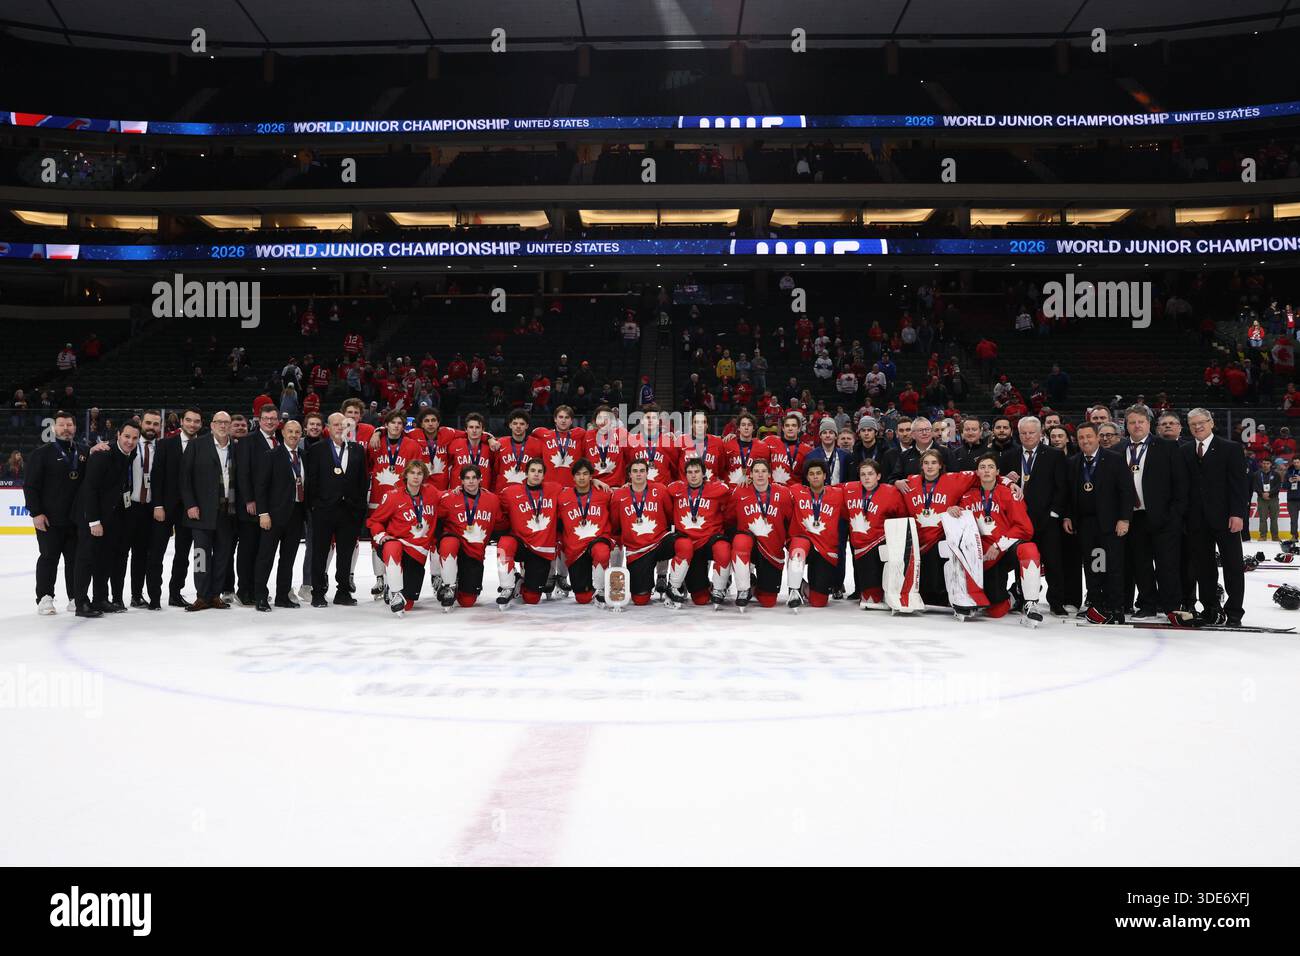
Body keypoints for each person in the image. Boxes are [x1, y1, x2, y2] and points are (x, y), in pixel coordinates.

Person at [960, 452, 1044, 626]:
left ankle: (1031, 604)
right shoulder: (967, 497)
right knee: (996, 612)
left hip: (1005, 550)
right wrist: (954, 510)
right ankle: (1016, 595)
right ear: (977, 473)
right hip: (986, 558)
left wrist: (999, 545)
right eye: (982, 467)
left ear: (998, 472)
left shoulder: (1008, 494)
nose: (986, 471)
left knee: (1029, 548)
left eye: (991, 467)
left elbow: (1025, 528)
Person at [1063, 423, 1134, 624]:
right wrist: (1068, 516)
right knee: (1094, 565)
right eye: (1081, 437)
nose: (1085, 441)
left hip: (1111, 524)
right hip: (1086, 524)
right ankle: (1096, 603)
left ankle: (1116, 606)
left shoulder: (1115, 459)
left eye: (1089, 437)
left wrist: (1124, 518)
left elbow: (1126, 491)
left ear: (1097, 438)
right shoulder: (1073, 462)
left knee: (1113, 565)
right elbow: (1069, 493)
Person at [1182, 409, 1248, 625]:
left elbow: (1239, 485)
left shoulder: (1231, 448)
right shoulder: (1185, 450)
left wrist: (1238, 514)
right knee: (1204, 568)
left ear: (1211, 423)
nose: (1197, 426)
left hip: (1226, 519)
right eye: (1193, 424)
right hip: (1196, 521)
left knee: (1233, 566)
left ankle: (1235, 611)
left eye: (1201, 422)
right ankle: (1211, 608)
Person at [1000, 416, 1069, 616]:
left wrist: (1055, 513)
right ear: (1018, 434)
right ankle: (1022, 597)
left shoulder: (1054, 455)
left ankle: (1056, 601)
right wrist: (1006, 479)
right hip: (1019, 520)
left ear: (1040, 434)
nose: (1028, 436)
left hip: (1046, 519)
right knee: (1021, 561)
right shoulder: (1009, 456)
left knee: (1053, 561)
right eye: (1024, 433)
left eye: (1032, 432)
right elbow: (999, 485)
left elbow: (1061, 487)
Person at [73, 420, 140, 618]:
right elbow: (90, 489)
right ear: (118, 435)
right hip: (91, 517)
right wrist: (94, 521)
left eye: (135, 438)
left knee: (104, 559)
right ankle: (81, 603)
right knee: (86, 559)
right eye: (127, 436)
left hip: (112, 516)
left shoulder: (130, 453)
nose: (130, 441)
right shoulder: (102, 455)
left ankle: (100, 599)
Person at [24, 410, 86, 615]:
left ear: (75, 428)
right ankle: (44, 597)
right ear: (53, 428)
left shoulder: (84, 451)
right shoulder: (41, 453)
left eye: (69, 425)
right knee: (49, 557)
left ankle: (75, 596)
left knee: (75, 560)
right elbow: (30, 486)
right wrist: (36, 513)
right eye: (61, 425)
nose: (66, 429)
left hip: (75, 520)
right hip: (49, 519)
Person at [305, 412, 368, 607]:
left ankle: (343, 592)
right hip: (324, 510)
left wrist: (358, 506)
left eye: (344, 424)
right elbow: (311, 482)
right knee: (320, 553)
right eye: (336, 425)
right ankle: (317, 592)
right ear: (328, 428)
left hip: (349, 511)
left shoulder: (358, 450)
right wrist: (314, 506)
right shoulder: (317, 449)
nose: (340, 428)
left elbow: (362, 481)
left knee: (345, 553)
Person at [366, 459, 439, 615]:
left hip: (418, 552)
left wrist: (458, 491)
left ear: (424, 476)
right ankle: (395, 592)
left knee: (409, 604)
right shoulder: (392, 496)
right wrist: (381, 535)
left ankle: (393, 586)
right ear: (405, 475)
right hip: (397, 546)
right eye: (412, 473)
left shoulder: (431, 493)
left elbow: (446, 498)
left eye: (419, 473)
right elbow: (374, 520)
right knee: (393, 546)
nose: (416, 477)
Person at [182, 411, 238, 612]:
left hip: (227, 512)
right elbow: (185, 478)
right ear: (212, 425)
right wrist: (190, 504)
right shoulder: (197, 445)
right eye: (219, 422)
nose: (223, 426)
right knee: (201, 555)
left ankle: (215, 595)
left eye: (226, 422)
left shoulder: (236, 447)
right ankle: (202, 595)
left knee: (223, 555)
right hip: (201, 512)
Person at [253, 419, 310, 611]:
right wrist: (263, 513)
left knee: (288, 558)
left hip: (296, 514)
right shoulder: (271, 455)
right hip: (273, 515)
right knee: (265, 557)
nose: (294, 435)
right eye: (290, 431)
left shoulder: (304, 455)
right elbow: (261, 488)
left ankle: (282, 596)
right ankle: (260, 596)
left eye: (297, 432)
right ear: (283, 433)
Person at [662, 458, 732, 607]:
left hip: (709, 540)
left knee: (723, 548)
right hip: (687, 545)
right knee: (700, 600)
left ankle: (719, 588)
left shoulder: (718, 489)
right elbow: (655, 489)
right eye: (689, 472)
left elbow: (732, 499)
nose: (693, 475)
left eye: (697, 472)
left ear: (704, 473)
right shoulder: (676, 489)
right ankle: (684, 583)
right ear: (685, 474)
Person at [152, 406, 203, 607]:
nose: (192, 424)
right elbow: (157, 476)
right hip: (165, 507)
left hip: (191, 509)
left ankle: (175, 593)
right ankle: (154, 596)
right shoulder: (165, 444)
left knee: (183, 555)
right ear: (181, 421)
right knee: (156, 552)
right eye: (189, 420)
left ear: (201, 424)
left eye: (196, 421)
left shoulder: (204, 445)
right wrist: (157, 505)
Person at [435, 464, 503, 609]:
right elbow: (435, 516)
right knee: (448, 543)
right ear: (461, 480)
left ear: (480, 479)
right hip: (456, 546)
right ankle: (448, 584)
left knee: (467, 602)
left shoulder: (492, 500)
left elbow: (500, 524)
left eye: (474, 478)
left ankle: (460, 581)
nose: (471, 481)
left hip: (474, 553)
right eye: (467, 478)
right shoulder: (449, 498)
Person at [842, 458, 908, 609]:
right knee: (870, 599)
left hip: (881, 542)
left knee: (880, 593)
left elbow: (901, 517)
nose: (866, 477)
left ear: (878, 476)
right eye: (863, 474)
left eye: (870, 474)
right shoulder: (849, 489)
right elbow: (844, 512)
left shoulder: (891, 492)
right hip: (859, 545)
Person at [496, 460, 564, 606]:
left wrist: (594, 480)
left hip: (541, 550)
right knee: (504, 543)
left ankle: (519, 581)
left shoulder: (554, 489)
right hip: (521, 544)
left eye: (540, 471)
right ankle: (507, 586)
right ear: (526, 473)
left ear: (544, 475)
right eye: (533, 470)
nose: (536, 474)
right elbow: (489, 501)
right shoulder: (510, 492)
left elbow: (577, 491)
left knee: (531, 599)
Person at [557, 460, 615, 605]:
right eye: (578, 474)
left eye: (585, 474)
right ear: (573, 477)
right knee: (582, 598)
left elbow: (624, 495)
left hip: (597, 541)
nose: (582, 478)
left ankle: (601, 589)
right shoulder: (562, 497)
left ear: (591, 477)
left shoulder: (604, 493)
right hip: (575, 550)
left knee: (601, 551)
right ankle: (587, 588)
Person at [124, 409, 163, 609]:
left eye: (156, 424)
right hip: (129, 508)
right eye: (148, 423)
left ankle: (140, 595)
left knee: (144, 554)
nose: (151, 427)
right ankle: (120, 595)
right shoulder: (129, 445)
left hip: (151, 509)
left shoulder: (163, 448)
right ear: (141, 424)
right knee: (124, 554)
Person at [1256, 458, 1286, 543]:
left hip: (1273, 499)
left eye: (1267, 463)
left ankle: (1275, 536)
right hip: (1261, 499)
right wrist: (1262, 494)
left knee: (1274, 518)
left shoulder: (1276, 474)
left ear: (1270, 464)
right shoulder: (1257, 474)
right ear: (1261, 464)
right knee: (1262, 518)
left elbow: (1277, 486)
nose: (1265, 465)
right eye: (1264, 463)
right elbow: (1255, 486)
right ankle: (1263, 536)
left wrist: (1269, 493)